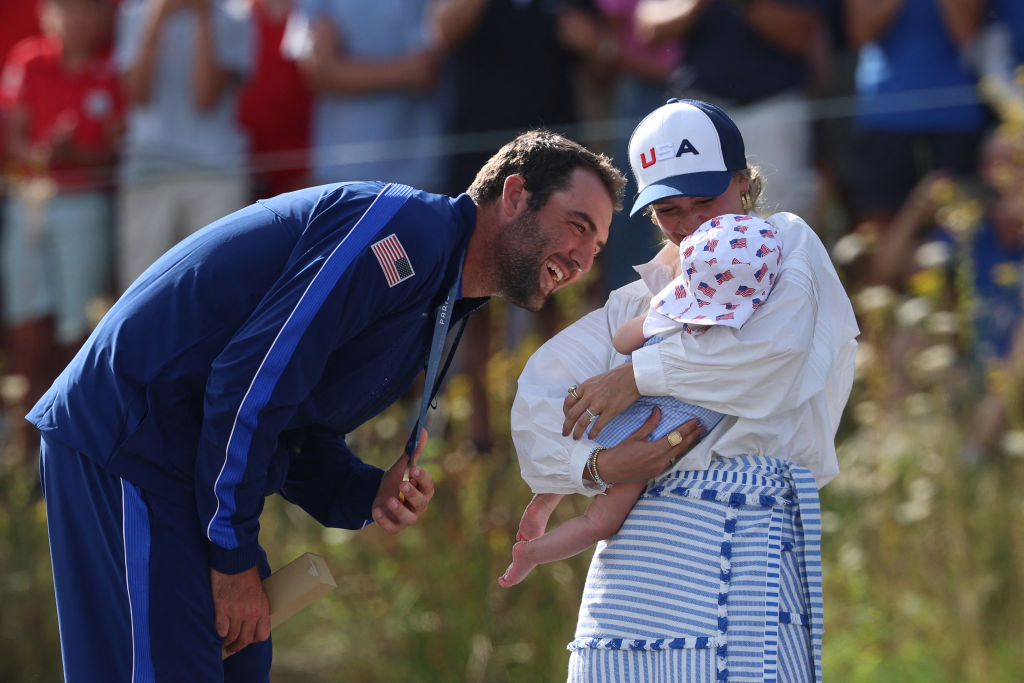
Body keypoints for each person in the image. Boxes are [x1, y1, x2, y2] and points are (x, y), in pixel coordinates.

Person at [29, 130, 625, 682]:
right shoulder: (407, 234)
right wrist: (231, 555)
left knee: (242, 655)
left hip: (179, 457)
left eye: (596, 246)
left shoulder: (444, 292)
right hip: (130, 435)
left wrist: (366, 492)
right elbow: (252, 381)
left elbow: (295, 429)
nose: (581, 259)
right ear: (515, 195)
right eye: (575, 225)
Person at [510, 99, 859, 681]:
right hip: (632, 561)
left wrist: (637, 376)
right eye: (671, 208)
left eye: (707, 200)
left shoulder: (787, 250)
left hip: (746, 538)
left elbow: (775, 360)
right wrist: (597, 464)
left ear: (743, 184)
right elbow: (538, 403)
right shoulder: (635, 302)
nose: (692, 221)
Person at [499, 213, 783, 587]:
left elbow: (621, 341)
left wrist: (655, 315)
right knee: (601, 521)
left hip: (615, 411)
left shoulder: (671, 313)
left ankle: (543, 503)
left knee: (584, 451)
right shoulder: (744, 338)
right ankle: (532, 553)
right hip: (649, 442)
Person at [0, 0, 121, 452]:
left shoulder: (110, 70)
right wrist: (42, 154)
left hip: (85, 203)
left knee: (79, 329)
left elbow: (112, 149)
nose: (77, 19)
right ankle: (22, 449)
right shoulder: (28, 58)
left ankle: (69, 441)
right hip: (30, 201)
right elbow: (15, 134)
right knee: (26, 324)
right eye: (68, 9)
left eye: (88, 10)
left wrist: (74, 155)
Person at [114, 0, 253, 291]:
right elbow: (137, 92)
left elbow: (205, 97)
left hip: (215, 173)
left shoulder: (235, 16)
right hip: (147, 173)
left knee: (216, 291)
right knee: (142, 292)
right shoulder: (133, 14)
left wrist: (203, 16)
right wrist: (158, 17)